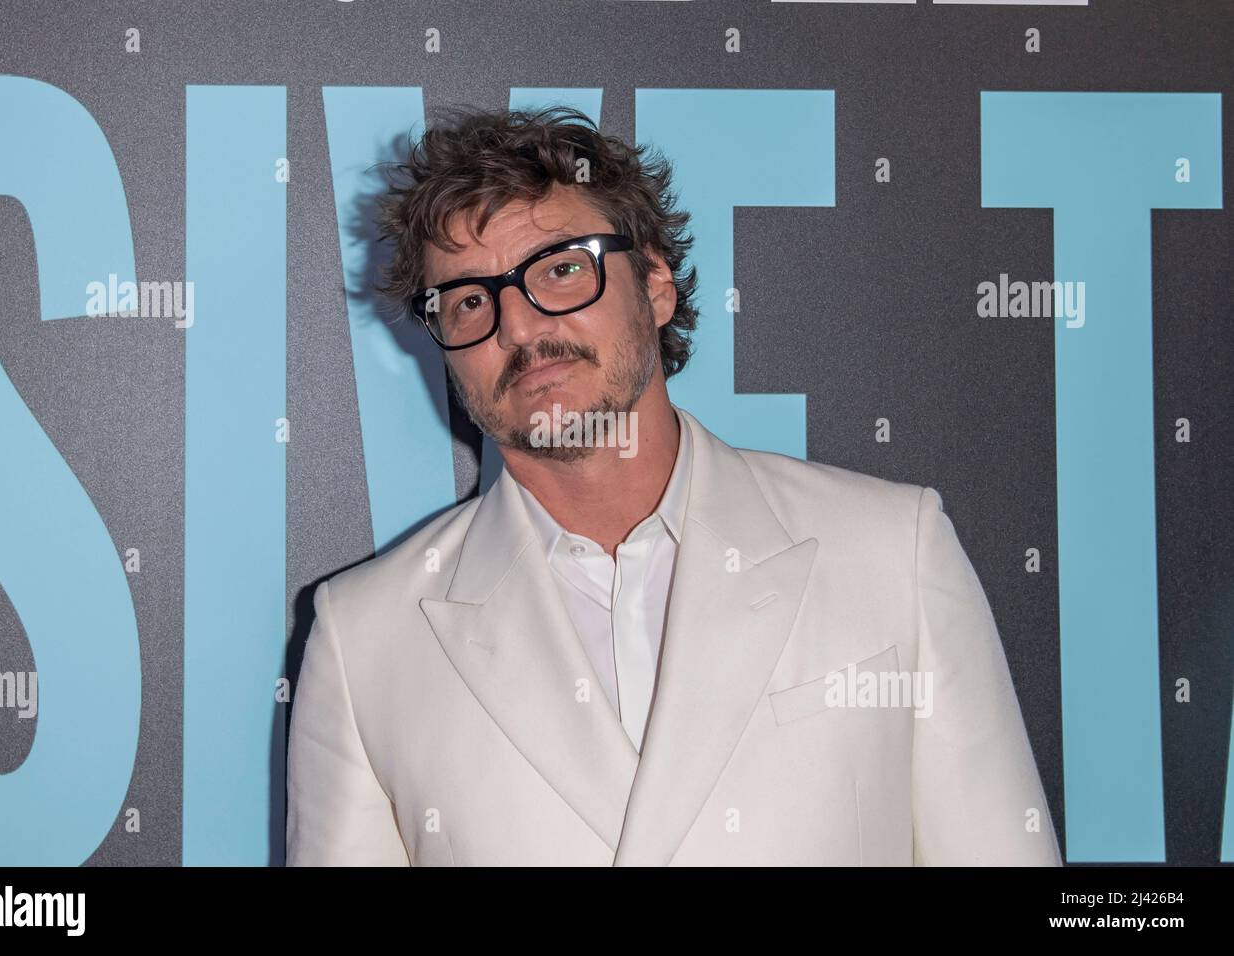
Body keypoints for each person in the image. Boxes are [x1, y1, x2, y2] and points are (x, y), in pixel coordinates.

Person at [285, 105, 1062, 866]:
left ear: (655, 282)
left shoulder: (892, 553)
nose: (519, 328)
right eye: (468, 300)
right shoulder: (367, 639)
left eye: (560, 270)